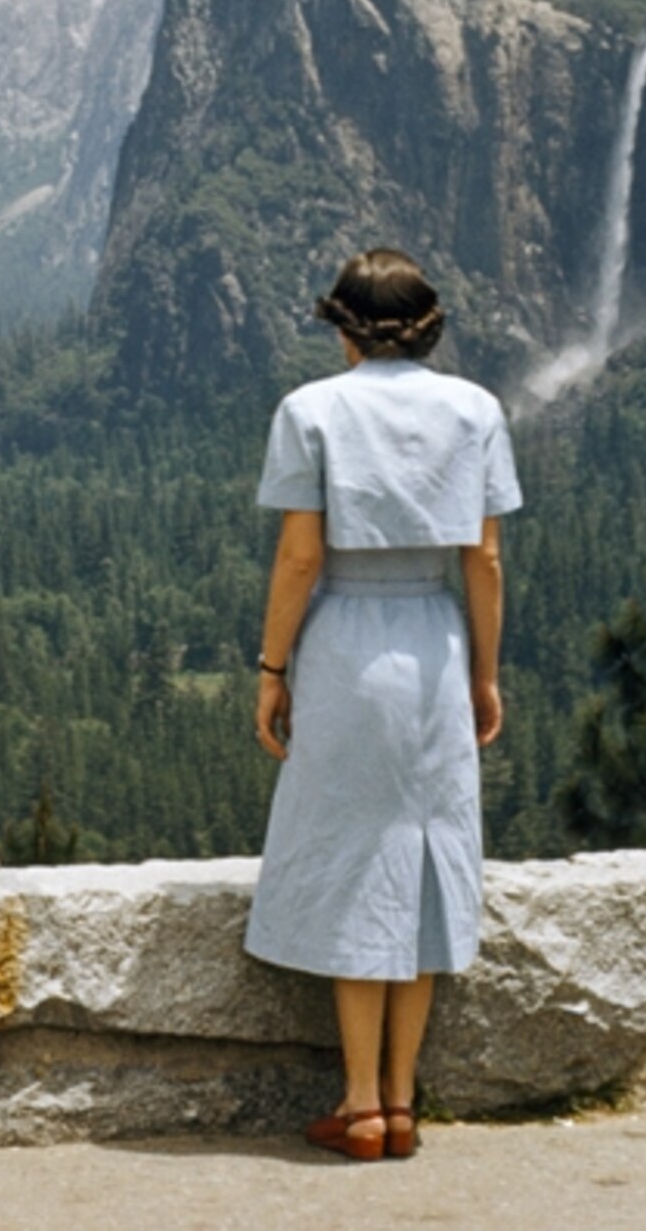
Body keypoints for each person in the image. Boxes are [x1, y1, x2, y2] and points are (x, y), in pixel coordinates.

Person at [247, 248, 517, 1163]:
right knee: (428, 857)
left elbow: (299, 557)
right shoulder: (475, 410)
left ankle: (358, 1102)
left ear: (343, 328)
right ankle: (403, 1103)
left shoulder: (311, 411)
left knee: (361, 857)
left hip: (347, 649)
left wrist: (272, 665)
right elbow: (483, 560)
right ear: (429, 326)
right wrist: (483, 672)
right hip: (436, 640)